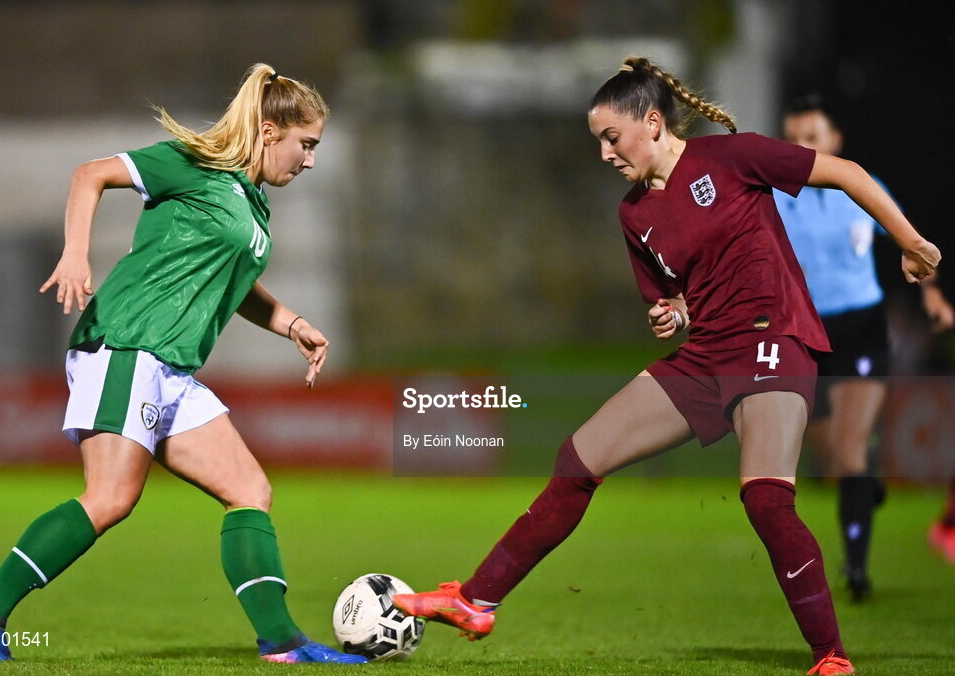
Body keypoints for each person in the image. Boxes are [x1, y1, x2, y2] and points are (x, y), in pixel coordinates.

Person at [393, 56, 940, 676]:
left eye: (611, 138)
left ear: (652, 122)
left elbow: (844, 172)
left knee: (765, 498)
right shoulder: (634, 215)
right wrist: (671, 314)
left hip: (773, 340)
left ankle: (832, 658)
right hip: (706, 355)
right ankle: (476, 599)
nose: (605, 155)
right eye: (598, 142)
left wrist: (911, 242)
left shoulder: (731, 158)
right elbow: (672, 296)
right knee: (578, 460)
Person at [0, 63, 366, 665]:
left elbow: (233, 283)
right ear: (270, 132)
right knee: (111, 497)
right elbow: (90, 174)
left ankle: (283, 643)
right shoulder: (195, 165)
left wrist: (292, 323)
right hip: (127, 346)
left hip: (172, 369)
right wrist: (75, 254)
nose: (311, 159)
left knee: (249, 489)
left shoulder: (253, 206)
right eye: (308, 144)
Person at [772, 94, 955, 601]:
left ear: (835, 142)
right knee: (837, 463)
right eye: (792, 138)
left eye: (811, 137)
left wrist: (932, 293)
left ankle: (856, 570)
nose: (800, 148)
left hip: (862, 327)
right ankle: (864, 484)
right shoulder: (773, 198)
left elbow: (913, 245)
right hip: (805, 335)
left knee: (853, 451)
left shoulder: (862, 188)